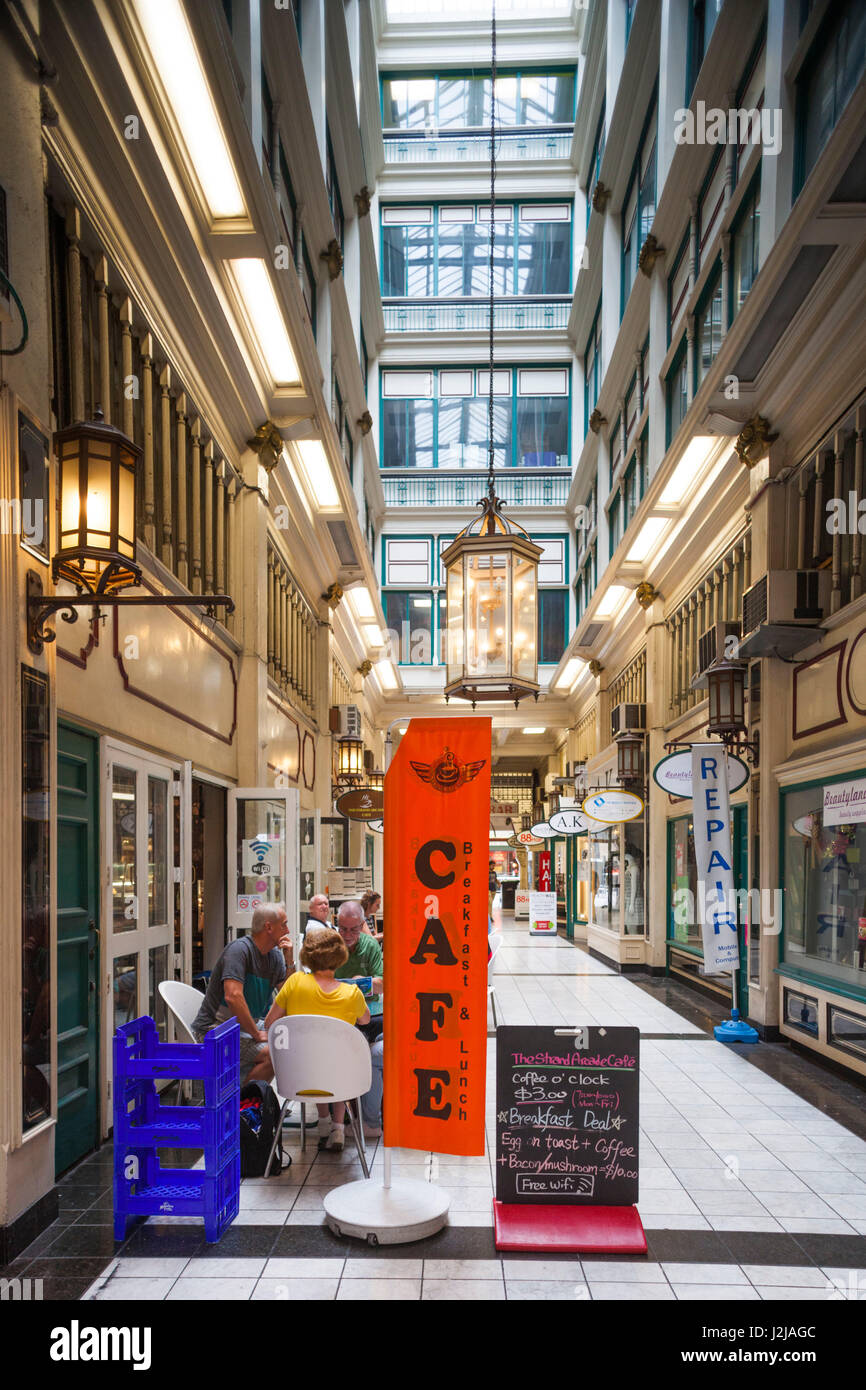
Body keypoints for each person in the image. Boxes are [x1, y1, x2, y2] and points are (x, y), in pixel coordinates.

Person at [264, 926, 369, 1151]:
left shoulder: (294, 983)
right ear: (340, 955)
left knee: (315, 1059)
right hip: (340, 1079)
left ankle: (323, 1126)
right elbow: (365, 1021)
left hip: (297, 1076)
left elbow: (270, 1023)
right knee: (338, 1061)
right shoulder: (351, 994)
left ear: (307, 954)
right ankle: (338, 1129)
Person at [192, 904, 292, 1083]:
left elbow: (289, 995)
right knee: (274, 1055)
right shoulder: (239, 950)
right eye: (284, 925)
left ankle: (251, 1097)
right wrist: (256, 1033)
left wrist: (289, 960)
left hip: (246, 1025)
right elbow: (233, 996)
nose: (288, 930)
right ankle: (243, 1106)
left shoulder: (275, 956)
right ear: (268, 927)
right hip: (215, 1030)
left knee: (289, 1043)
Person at [334, 900, 384, 1136]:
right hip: (340, 1017)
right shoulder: (330, 945)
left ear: (363, 924)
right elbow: (321, 983)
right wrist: (364, 984)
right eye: (343, 928)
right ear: (336, 923)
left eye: (354, 929)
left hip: (371, 1015)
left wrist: (353, 985)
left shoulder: (370, 945)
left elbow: (383, 984)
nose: (347, 935)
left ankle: (366, 1119)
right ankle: (340, 1121)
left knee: (370, 1053)